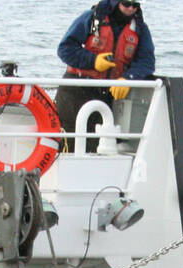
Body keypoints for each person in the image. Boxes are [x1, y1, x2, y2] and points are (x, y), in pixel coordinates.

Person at [55, 0, 154, 154]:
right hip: (74, 92)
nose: (130, 9)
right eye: (126, 4)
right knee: (66, 144)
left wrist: (128, 78)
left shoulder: (140, 29)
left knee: (97, 148)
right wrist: (94, 61)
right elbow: (65, 49)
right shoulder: (91, 18)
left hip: (108, 96)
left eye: (135, 5)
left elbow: (147, 62)